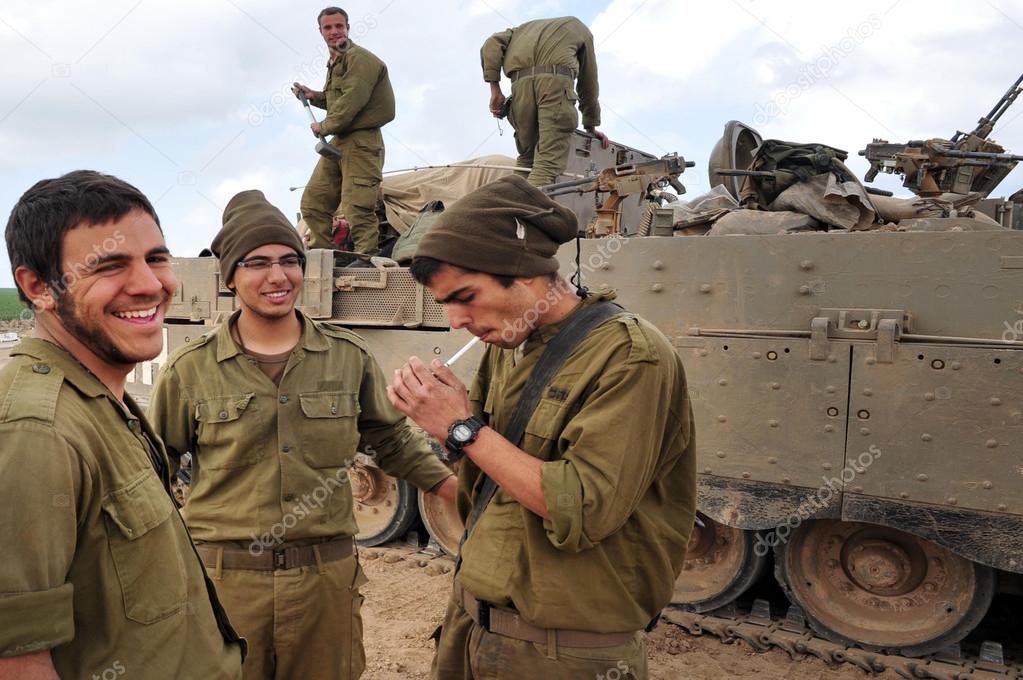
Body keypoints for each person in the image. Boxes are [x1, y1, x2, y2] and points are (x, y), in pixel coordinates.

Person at [388, 174, 696, 679]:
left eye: (465, 296)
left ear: (525, 274)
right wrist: (445, 429)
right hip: (472, 625)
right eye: (446, 303)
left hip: (561, 654)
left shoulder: (629, 356)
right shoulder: (510, 343)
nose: (456, 321)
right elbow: (486, 479)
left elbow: (581, 509)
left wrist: (463, 428)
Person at [148, 189, 457, 680]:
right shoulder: (190, 371)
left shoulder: (346, 356)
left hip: (323, 586)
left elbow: (393, 441)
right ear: (230, 277)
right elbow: (151, 469)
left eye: (290, 260)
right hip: (226, 586)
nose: (278, 276)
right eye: (257, 263)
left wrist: (458, 493)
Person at [0, 170, 244, 679]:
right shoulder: (34, 431)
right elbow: (17, 660)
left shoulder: (102, 397)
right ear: (38, 286)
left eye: (156, 258)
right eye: (110, 266)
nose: (150, 285)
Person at [293, 6, 395, 255]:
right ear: (320, 31)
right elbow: (337, 100)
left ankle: (365, 258)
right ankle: (325, 256)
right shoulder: (336, 61)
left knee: (357, 206)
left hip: (362, 142)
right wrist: (313, 96)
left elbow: (353, 100)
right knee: (313, 202)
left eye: (339, 26)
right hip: (340, 140)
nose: (334, 32)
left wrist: (324, 126)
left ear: (348, 27)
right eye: (328, 27)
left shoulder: (359, 58)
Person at [481, 16, 611, 187]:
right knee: (547, 165)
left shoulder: (520, 30)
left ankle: (506, 205)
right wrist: (590, 124)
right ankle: (520, 212)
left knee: (526, 161)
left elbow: (491, 44)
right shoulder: (578, 27)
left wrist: (495, 89)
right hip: (555, 89)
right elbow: (588, 83)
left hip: (520, 91)